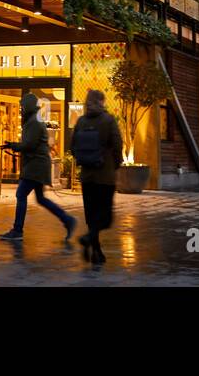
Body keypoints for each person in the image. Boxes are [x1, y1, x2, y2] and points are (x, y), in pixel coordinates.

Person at [0, 93, 76, 242]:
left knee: (21, 195)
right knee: (40, 198)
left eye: (22, 106)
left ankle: (17, 230)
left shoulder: (33, 122)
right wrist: (14, 145)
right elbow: (31, 143)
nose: (21, 109)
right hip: (38, 165)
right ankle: (68, 220)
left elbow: (29, 145)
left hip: (35, 166)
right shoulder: (34, 121)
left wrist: (13, 146)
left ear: (28, 106)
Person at [69, 89, 123, 264]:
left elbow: (72, 146)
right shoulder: (108, 120)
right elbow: (117, 144)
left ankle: (96, 252)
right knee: (105, 217)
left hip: (87, 176)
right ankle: (88, 239)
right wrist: (115, 164)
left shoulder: (81, 121)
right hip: (105, 176)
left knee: (92, 216)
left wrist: (83, 160)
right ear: (101, 101)